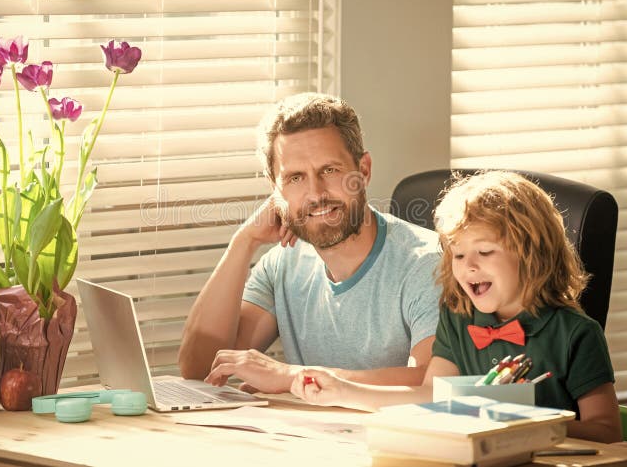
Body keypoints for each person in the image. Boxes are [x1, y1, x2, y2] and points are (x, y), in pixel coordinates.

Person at [291, 171, 623, 443]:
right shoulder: (458, 318)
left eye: (485, 252)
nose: (468, 267)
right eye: (459, 255)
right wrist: (345, 391)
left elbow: (607, 432)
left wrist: (529, 425)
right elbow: (429, 395)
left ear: (531, 252)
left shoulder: (577, 334)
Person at [178, 92, 442, 393]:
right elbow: (199, 369)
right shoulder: (284, 263)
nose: (316, 194)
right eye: (295, 178)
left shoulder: (426, 264)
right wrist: (244, 242)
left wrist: (295, 377)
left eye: (330, 171)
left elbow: (430, 381)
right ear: (274, 188)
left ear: (363, 170)